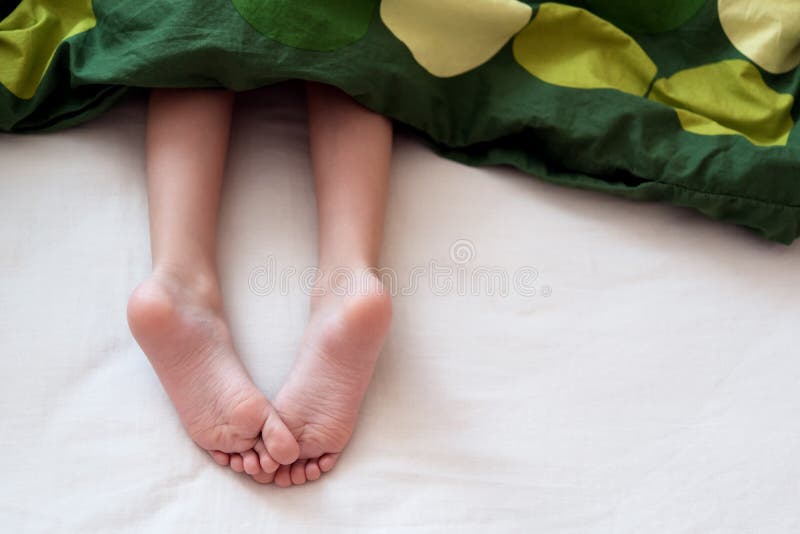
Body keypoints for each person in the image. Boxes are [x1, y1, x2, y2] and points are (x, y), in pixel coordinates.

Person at [126, 83, 393, 487]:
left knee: (190, 61)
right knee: (351, 68)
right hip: (352, 52)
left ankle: (178, 279)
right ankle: (348, 278)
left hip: (199, 49)